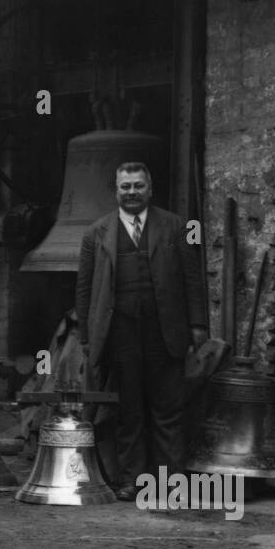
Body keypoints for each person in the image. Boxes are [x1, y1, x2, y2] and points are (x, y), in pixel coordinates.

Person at [76, 162, 208, 500]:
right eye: (125, 187)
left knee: (168, 408)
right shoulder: (96, 234)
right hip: (119, 333)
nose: (132, 192)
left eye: (138, 186)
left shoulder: (176, 227)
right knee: (128, 409)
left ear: (150, 189)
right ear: (115, 191)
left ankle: (170, 483)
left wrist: (197, 325)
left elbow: (193, 280)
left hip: (165, 331)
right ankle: (133, 479)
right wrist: (88, 338)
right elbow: (85, 288)